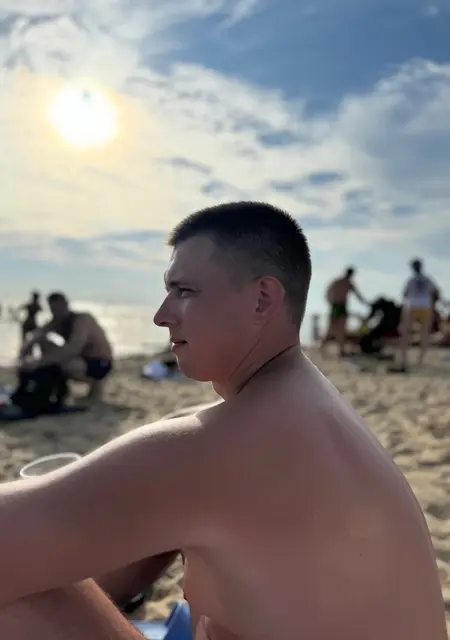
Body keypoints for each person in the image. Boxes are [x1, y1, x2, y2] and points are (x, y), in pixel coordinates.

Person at [0, 202, 446, 640]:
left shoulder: (224, 446)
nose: (161, 315)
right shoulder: (307, 403)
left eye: (184, 291)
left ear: (262, 299)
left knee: (24, 596)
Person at [18, 292, 113, 400]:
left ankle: (95, 384)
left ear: (66, 305)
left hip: (100, 361)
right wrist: (23, 358)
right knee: (44, 342)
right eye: (54, 310)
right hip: (80, 359)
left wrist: (40, 362)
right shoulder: (56, 322)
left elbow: (73, 349)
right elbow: (35, 336)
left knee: (67, 365)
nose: (57, 312)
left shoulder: (82, 320)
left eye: (60, 308)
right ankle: (60, 387)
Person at [390, 259, 440, 372]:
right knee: (425, 334)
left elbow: (404, 295)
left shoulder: (411, 280)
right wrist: (433, 304)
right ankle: (420, 360)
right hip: (426, 306)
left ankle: (404, 360)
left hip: (413, 305)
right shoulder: (428, 279)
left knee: (405, 332)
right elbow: (436, 292)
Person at [320, 266, 368, 357]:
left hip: (338, 306)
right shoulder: (344, 283)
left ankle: (335, 349)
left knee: (334, 328)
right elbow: (358, 295)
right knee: (337, 329)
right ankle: (335, 349)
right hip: (339, 306)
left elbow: (328, 293)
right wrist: (366, 303)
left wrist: (331, 301)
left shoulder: (339, 282)